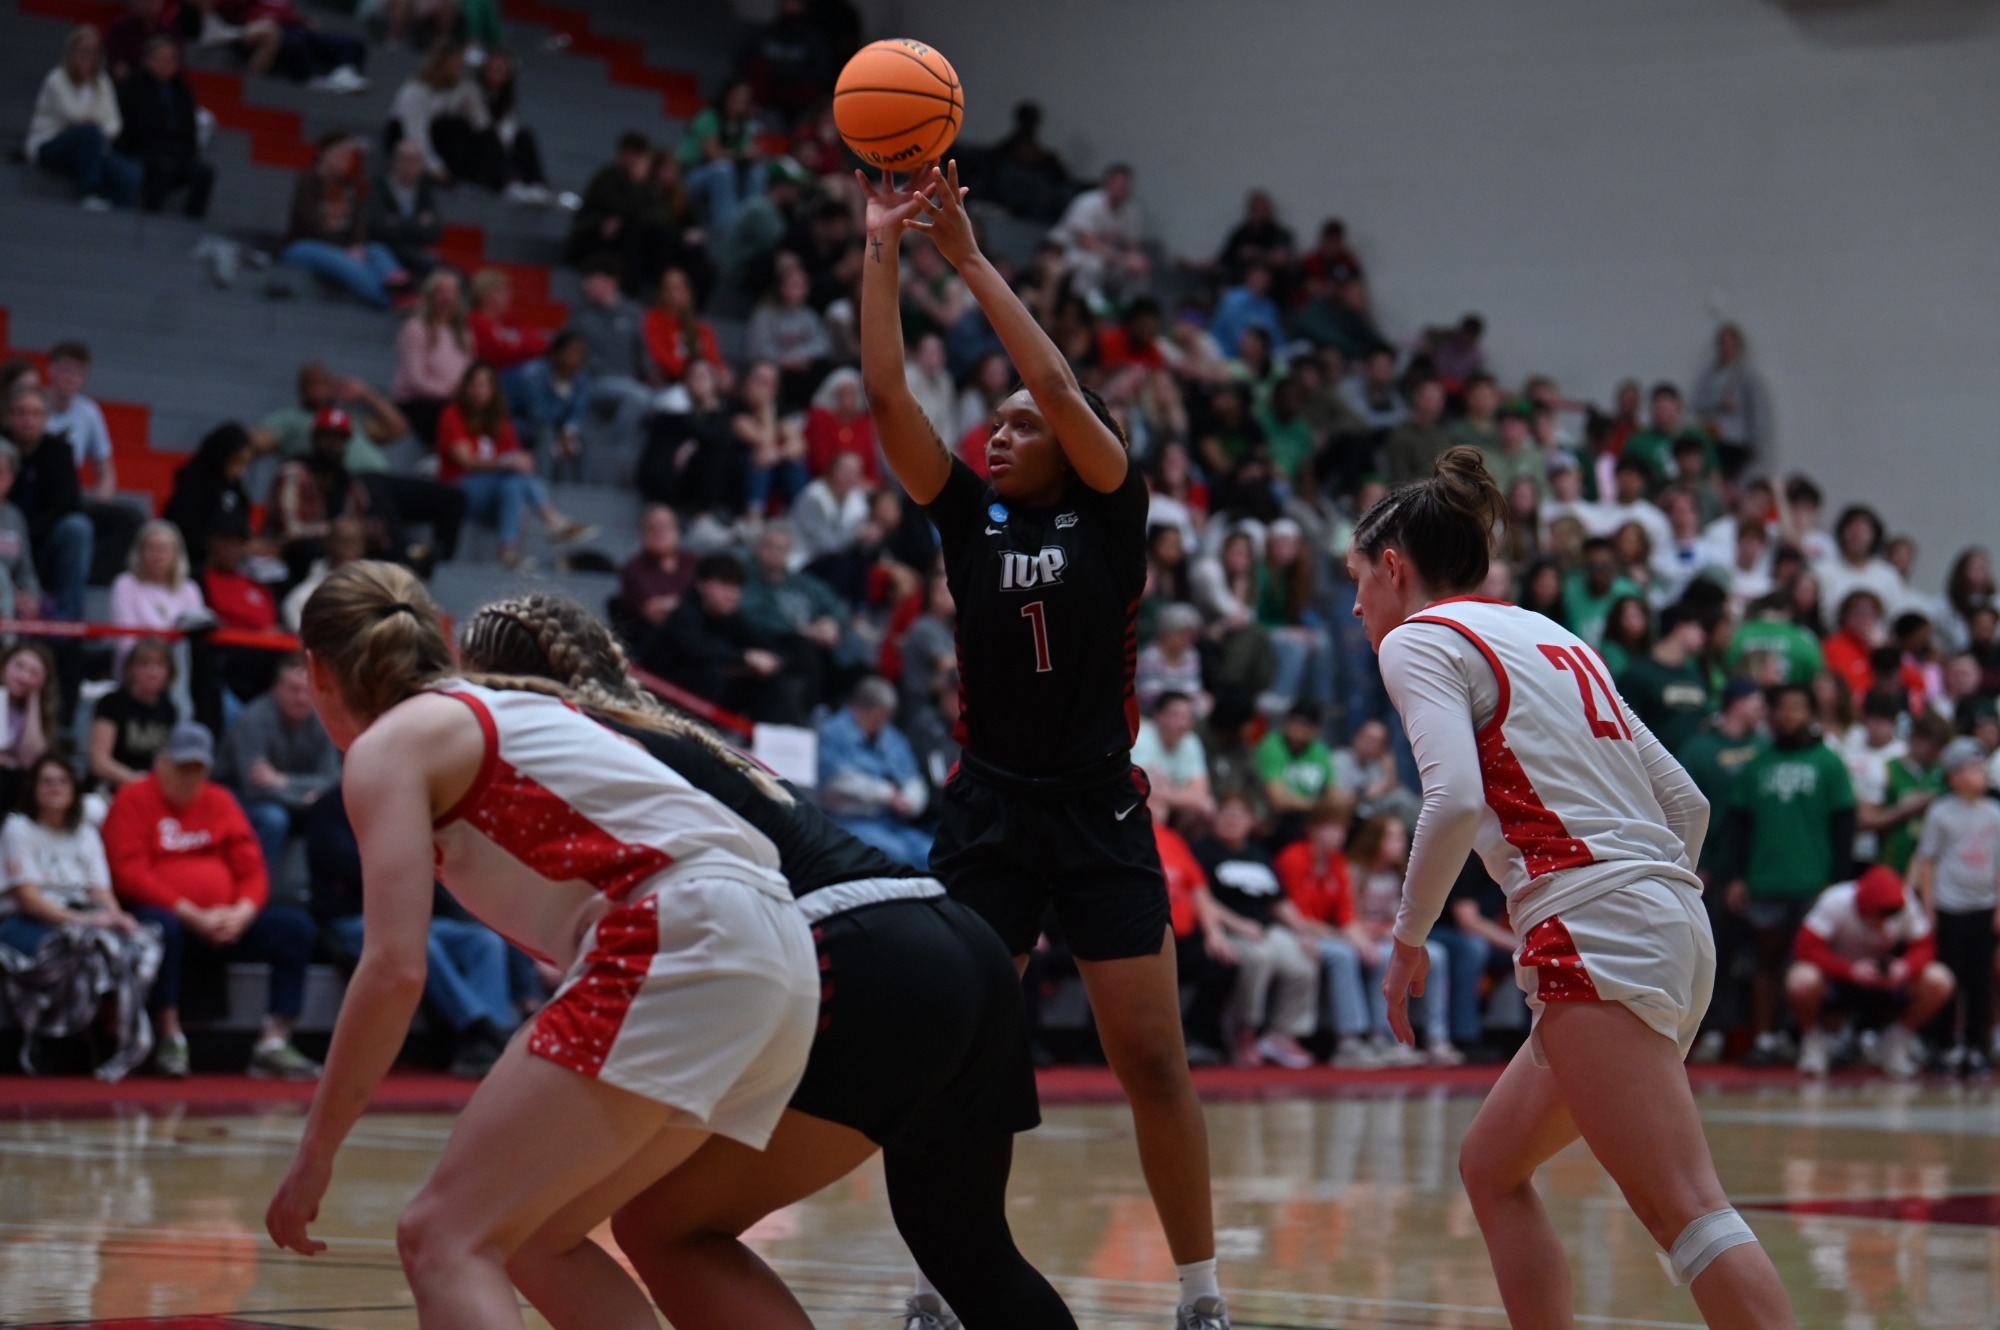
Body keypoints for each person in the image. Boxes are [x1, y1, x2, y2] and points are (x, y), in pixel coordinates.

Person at [859, 161, 1227, 1329]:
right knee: (950, 1057)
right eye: (996, 419)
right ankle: (941, 1278)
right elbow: (884, 399)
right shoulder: (968, 518)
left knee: (1152, 1064)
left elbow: (1055, 379)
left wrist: (965, 254)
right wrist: (881, 248)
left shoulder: (1114, 513)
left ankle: (1199, 1293)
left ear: (1080, 443)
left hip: (1096, 809)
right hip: (987, 810)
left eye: (1022, 423)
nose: (1000, 428)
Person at [263, 563, 821, 1330]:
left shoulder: (391, 744)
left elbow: (394, 969)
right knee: (537, 1237)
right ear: (441, 638)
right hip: (780, 947)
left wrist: (315, 1152)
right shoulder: (508, 706)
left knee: (443, 1239)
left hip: (683, 932)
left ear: (316, 670)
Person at [1350, 445, 1795, 1327]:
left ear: (1394, 569)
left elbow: (1450, 803)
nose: (1357, 603)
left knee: (1686, 1210)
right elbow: (1685, 800)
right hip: (1660, 919)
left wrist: (1407, 941)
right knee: (1491, 1164)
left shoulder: (1418, 639)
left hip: (1597, 926)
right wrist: (1655, 894)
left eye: (1358, 579)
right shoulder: (1553, 633)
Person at [105, 722, 321, 1080]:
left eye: (198, 769)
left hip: (225, 922)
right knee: (162, 928)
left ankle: (274, 1040)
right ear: (161, 762)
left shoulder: (220, 800)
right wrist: (191, 912)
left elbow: (252, 868)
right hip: (173, 919)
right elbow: (129, 873)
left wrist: (242, 912)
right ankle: (169, 1036)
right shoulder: (133, 798)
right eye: (182, 767)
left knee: (295, 928)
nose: (190, 777)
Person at [305, 785, 513, 1078]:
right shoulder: (331, 805)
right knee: (421, 944)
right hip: (351, 918)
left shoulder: (407, 804)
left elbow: (432, 863)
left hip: (411, 916)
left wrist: (401, 870)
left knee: (483, 940)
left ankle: (487, 1041)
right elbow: (342, 864)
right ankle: (483, 1030)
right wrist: (404, 869)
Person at [1718, 680, 1856, 1065]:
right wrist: (1737, 876)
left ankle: (1815, 1038)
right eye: (1781, 707)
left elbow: (1844, 824)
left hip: (1816, 881)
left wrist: (1839, 882)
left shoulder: (1829, 763)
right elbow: (1740, 825)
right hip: (1765, 880)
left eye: (1797, 707)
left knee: (1816, 967)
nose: (1788, 714)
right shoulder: (1756, 764)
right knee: (1765, 961)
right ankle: (1765, 1038)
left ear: (1810, 712)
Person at [0, 754, 161, 1081]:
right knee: (80, 944)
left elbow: (100, 891)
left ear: (75, 789)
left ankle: (114, 1036)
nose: (55, 788)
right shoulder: (18, 827)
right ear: (33, 789)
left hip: (80, 918)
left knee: (141, 942)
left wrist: (117, 918)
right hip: (23, 922)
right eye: (46, 781)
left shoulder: (85, 834)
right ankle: (47, 1039)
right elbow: (29, 899)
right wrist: (84, 921)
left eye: (62, 781)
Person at [1788, 867, 1952, 1079]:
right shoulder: (1836, 901)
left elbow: (1925, 945)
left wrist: (1904, 968)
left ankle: (1896, 1039)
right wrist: (1849, 971)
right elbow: (1805, 946)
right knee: (1801, 979)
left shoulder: (1906, 903)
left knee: (1939, 979)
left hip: (1887, 982)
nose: (1885, 920)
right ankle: (1814, 1041)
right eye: (1880, 914)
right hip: (1840, 980)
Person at [1192, 794, 1317, 1069]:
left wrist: (1302, 931)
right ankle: (1242, 1032)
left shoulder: (1259, 854)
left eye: (1239, 815)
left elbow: (1278, 900)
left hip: (1266, 928)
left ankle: (1283, 1034)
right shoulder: (1203, 851)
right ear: (1214, 819)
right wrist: (1238, 924)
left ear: (1251, 822)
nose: (1232, 820)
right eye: (1226, 814)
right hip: (1228, 929)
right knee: (1258, 959)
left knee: (1302, 959)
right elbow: (1200, 897)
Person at [436, 362, 595, 567]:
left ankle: (509, 554)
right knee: (516, 478)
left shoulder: (500, 421)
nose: (479, 391)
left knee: (515, 485)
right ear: (465, 387)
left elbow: (518, 460)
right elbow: (465, 460)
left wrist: (521, 462)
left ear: (494, 391)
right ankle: (552, 520)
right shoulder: (453, 414)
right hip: (459, 488)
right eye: (474, 384)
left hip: (496, 493)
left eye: (485, 385)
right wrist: (506, 462)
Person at [1908, 736, 2000, 1074]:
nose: (1981, 774)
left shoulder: (1994, 814)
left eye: (1982, 767)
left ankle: (1978, 1045)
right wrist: (1929, 907)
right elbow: (1927, 861)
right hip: (1950, 906)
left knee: (1980, 981)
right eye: (1973, 769)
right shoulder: (1941, 813)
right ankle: (1943, 1043)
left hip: (1983, 906)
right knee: (1949, 977)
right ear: (1954, 776)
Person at [1271, 804, 1383, 1068]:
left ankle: (1381, 1036)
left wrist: (1361, 940)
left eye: (1342, 830)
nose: (1338, 836)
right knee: (1343, 954)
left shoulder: (1338, 863)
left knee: (1371, 952)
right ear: (1312, 830)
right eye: (1331, 829)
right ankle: (1348, 1040)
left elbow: (1347, 916)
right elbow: (1296, 916)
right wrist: (1344, 937)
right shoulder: (1293, 858)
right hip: (1292, 929)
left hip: (1324, 933)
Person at [218, 656, 341, 878]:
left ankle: (320, 894)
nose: (302, 698)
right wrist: (306, 797)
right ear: (276, 688)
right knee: (274, 818)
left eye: (308, 690)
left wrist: (282, 780)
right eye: (294, 689)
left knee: (331, 811)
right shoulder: (252, 720)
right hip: (234, 795)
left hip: (286, 795)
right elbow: (255, 788)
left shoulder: (320, 719)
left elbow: (332, 778)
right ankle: (253, 888)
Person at [817, 677, 931, 869]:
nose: (881, 723)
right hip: (849, 820)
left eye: (886, 718)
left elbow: (913, 778)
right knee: (898, 855)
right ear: (858, 709)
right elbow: (834, 785)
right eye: (877, 717)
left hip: (894, 821)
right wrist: (885, 794)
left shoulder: (892, 736)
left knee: (931, 852)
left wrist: (909, 801)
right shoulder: (832, 733)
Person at [284, 134, 408, 308]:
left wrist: (357, 245)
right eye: (341, 155)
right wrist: (345, 249)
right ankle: (388, 300)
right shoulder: (307, 181)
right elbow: (309, 224)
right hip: (304, 246)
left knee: (378, 250)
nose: (346, 161)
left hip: (342, 248)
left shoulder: (350, 186)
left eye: (349, 156)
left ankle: (400, 287)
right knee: (347, 263)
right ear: (323, 153)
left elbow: (359, 222)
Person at [27, 26, 142, 210]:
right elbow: (74, 115)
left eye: (93, 52)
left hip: (91, 148)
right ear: (71, 51)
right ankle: (89, 193)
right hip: (50, 144)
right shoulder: (56, 78)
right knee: (88, 133)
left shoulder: (103, 82)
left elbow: (115, 124)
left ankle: (114, 220)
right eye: (83, 51)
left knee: (131, 172)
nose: (87, 57)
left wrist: (97, 129)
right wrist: (97, 126)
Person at [5, 384, 95, 620]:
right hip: (5, 538)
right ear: (8, 415)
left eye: (35, 413)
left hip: (41, 543)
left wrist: (26, 532)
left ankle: (68, 620)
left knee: (78, 528)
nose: (28, 420)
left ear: (46, 418)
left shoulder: (59, 451)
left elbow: (68, 506)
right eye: (21, 412)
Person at [114, 36, 214, 218]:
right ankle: (151, 217)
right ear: (147, 60)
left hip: (177, 152)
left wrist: (188, 153)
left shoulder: (180, 88)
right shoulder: (134, 84)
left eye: (170, 59)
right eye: (159, 59)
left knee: (204, 173)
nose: (165, 64)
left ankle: (191, 223)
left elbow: (189, 125)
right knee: (162, 168)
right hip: (143, 150)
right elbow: (130, 126)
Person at [388, 41, 505, 191]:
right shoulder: (416, 90)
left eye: (459, 65)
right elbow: (416, 133)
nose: (458, 70)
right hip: (405, 137)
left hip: (436, 140)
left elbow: (483, 124)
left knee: (468, 129)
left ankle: (500, 183)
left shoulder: (462, 87)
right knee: (456, 127)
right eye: (453, 65)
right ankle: (453, 179)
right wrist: (435, 167)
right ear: (439, 65)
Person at [393, 270, 475, 447]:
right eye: (441, 291)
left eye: (452, 292)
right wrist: (451, 393)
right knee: (454, 418)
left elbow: (469, 374)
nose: (447, 297)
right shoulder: (416, 328)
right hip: (418, 402)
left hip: (453, 401)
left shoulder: (464, 334)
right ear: (430, 296)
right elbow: (416, 381)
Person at [89, 636, 179, 791]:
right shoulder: (111, 703)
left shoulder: (169, 709)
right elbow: (100, 762)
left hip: (150, 788)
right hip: (111, 786)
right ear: (130, 669)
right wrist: (138, 781)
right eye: (145, 664)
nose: (152, 672)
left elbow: (166, 759)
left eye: (160, 665)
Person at [1131, 691, 1215, 830]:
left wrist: (1164, 789)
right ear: (1158, 715)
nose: (1183, 723)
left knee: (1206, 809)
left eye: (1188, 717)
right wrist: (1181, 793)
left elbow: (1201, 794)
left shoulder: (1191, 741)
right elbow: (1140, 788)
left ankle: (1179, 849)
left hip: (1171, 804)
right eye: (1176, 715)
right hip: (1137, 801)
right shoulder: (1141, 738)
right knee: (1156, 808)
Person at [364, 138, 445, 277]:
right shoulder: (380, 186)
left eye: (414, 160)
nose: (409, 165)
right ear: (394, 161)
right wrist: (417, 224)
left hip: (416, 253)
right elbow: (376, 226)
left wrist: (396, 222)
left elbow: (435, 232)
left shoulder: (425, 191)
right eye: (404, 159)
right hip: (386, 251)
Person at [0, 646, 57, 811]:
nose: (24, 676)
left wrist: (34, 700)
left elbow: (32, 760)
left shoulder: (38, 712)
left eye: (34, 673)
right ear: (4, 665)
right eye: (19, 667)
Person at [0, 445, 47, 621]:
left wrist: (29, 595)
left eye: (1, 472)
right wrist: (12, 595)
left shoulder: (15, 517)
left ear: (12, 477)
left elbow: (25, 571)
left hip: (7, 607)